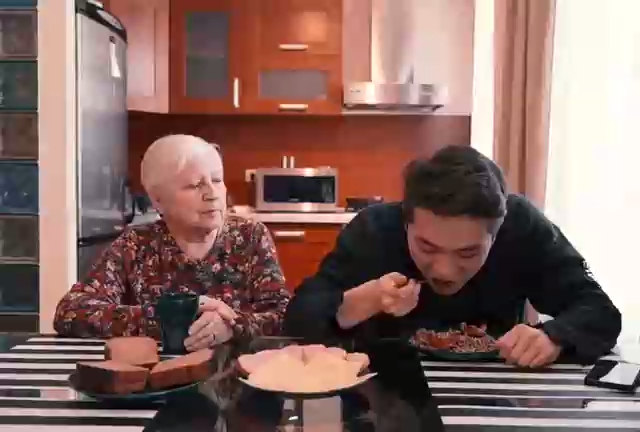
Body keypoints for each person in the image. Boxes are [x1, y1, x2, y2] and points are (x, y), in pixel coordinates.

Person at [283, 145, 621, 367]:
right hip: (384, 390)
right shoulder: (374, 229)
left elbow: (599, 311)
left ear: (497, 233)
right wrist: (363, 301)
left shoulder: (522, 226)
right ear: (406, 221)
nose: (444, 270)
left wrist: (554, 335)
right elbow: (297, 320)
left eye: (468, 252)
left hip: (494, 392)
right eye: (427, 247)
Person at [54, 134, 290, 351]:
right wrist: (169, 317)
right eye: (194, 185)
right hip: (155, 377)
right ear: (158, 200)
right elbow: (71, 312)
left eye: (217, 180)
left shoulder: (250, 236)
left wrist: (233, 326)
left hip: (239, 376)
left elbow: (282, 315)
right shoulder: (136, 244)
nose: (212, 194)